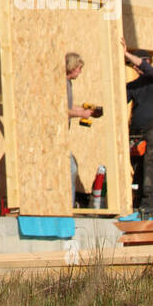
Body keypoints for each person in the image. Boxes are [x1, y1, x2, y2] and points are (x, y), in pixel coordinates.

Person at [122, 38, 153, 220]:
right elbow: (121, 97)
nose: (136, 69)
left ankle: (147, 207)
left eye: (137, 65)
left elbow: (146, 69)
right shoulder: (134, 86)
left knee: (149, 166)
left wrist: (126, 54)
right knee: (137, 169)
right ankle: (136, 202)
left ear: (146, 62)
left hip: (151, 130)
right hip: (136, 131)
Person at [66, 52, 96, 208]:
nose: (80, 71)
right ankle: (68, 208)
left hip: (63, 136)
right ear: (72, 67)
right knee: (71, 169)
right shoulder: (62, 84)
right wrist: (81, 114)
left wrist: (84, 109)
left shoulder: (68, 84)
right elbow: (61, 109)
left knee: (70, 170)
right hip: (58, 138)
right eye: (79, 68)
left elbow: (69, 107)